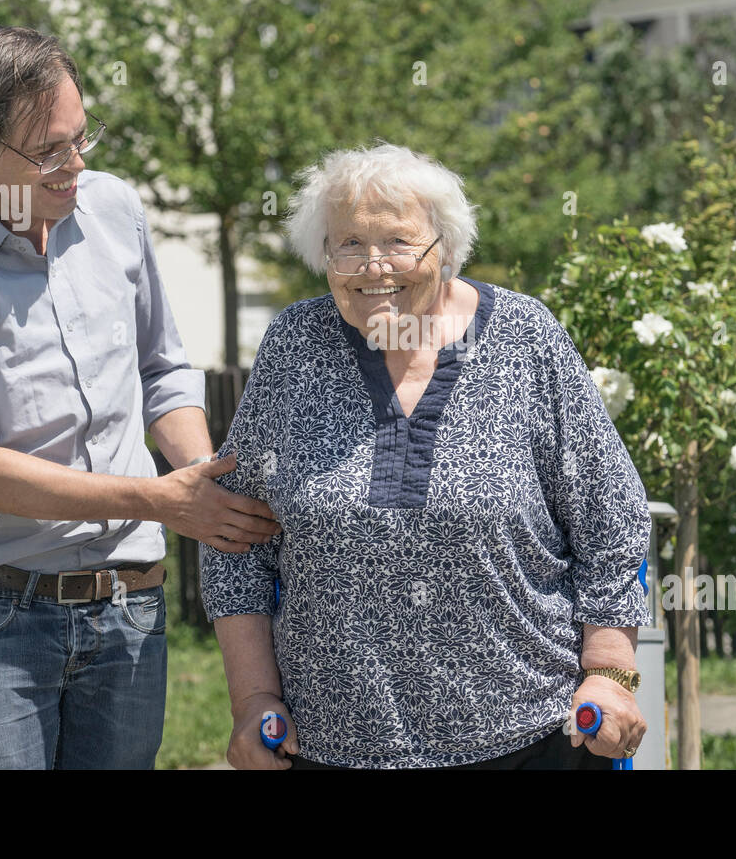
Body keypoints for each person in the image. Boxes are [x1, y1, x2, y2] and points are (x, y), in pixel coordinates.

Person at [0, 24, 280, 769]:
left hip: (129, 607)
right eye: (48, 150)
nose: (75, 165)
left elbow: (164, 373)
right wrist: (159, 499)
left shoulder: (116, 210)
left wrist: (206, 480)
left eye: (81, 138)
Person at [200, 142, 650, 769]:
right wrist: (253, 698)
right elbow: (232, 536)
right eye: (348, 243)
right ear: (322, 256)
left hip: (531, 736)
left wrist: (609, 670)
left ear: (446, 248)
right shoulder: (294, 348)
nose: (373, 265)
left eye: (398, 242)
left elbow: (611, 515)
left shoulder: (525, 337)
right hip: (330, 746)